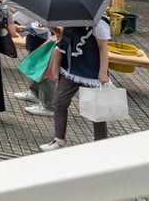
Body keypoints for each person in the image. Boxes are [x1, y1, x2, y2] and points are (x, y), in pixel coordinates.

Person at [40, 17, 111, 151]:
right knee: (59, 101)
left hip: (92, 70)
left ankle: (101, 143)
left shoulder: (99, 21)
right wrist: (50, 25)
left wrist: (102, 72)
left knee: (96, 108)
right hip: (71, 68)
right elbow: (62, 34)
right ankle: (59, 140)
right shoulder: (70, 16)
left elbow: (103, 47)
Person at [12, 11, 55, 117]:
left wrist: (23, 27)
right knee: (34, 66)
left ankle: (47, 106)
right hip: (38, 35)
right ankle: (34, 93)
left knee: (44, 71)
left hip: (48, 38)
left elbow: (46, 24)